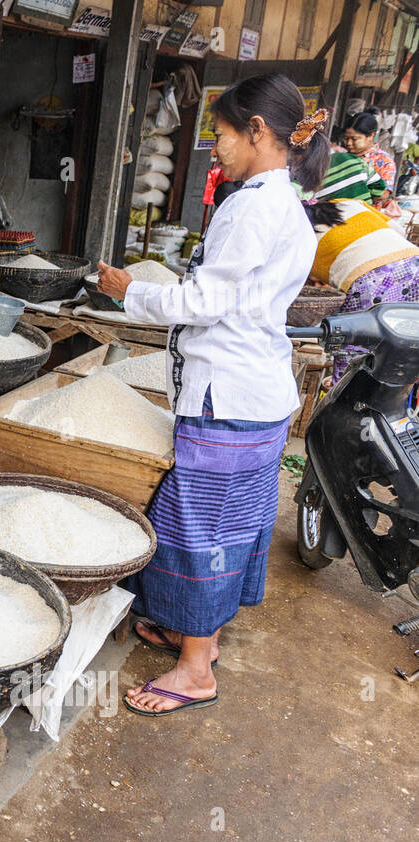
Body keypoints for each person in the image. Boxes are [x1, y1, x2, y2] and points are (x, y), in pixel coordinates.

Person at [95, 75, 329, 716]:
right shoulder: (287, 202)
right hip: (258, 396)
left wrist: (129, 292)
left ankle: (196, 669)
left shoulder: (251, 205)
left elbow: (203, 302)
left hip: (226, 396)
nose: (216, 147)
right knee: (232, 522)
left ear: (257, 130)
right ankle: (196, 634)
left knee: (199, 529)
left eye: (222, 134)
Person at [306, 151, 419, 381]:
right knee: (406, 344)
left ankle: (344, 394)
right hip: (414, 262)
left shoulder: (303, 227)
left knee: (354, 345)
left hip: (371, 280)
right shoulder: (354, 205)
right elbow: (395, 229)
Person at [340, 110, 395, 206]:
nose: (348, 143)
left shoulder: (383, 160)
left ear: (371, 136)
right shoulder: (341, 157)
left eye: (354, 139)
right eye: (346, 138)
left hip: (365, 215)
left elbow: (383, 194)